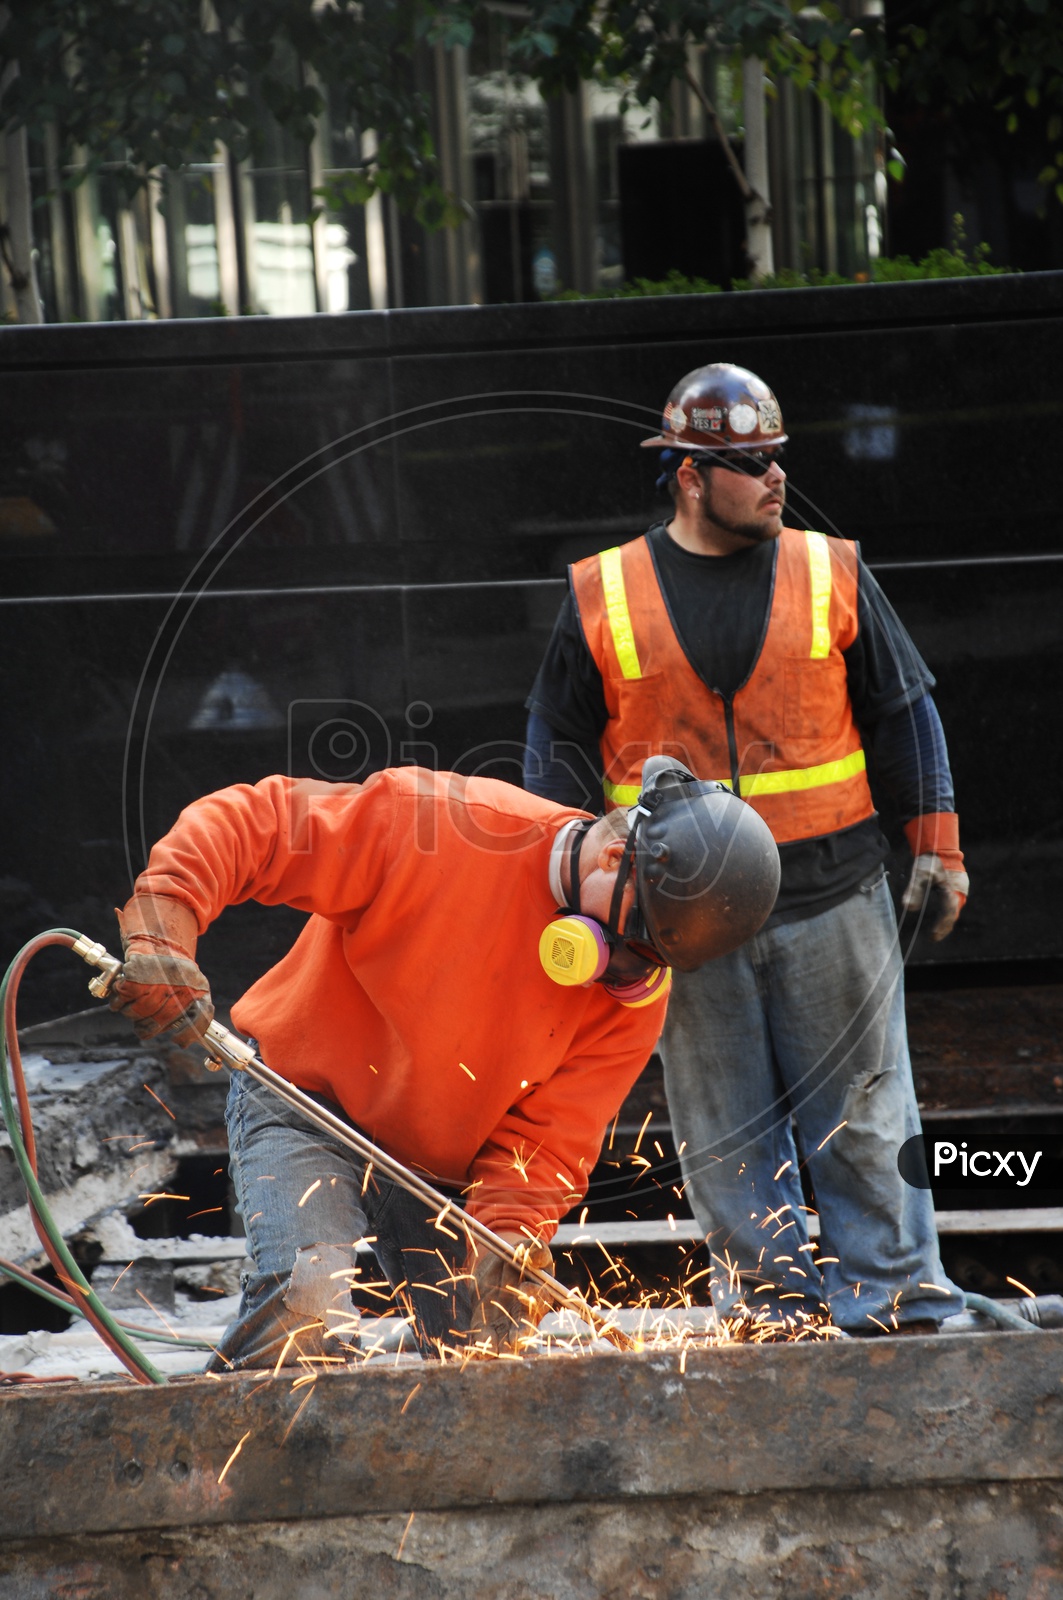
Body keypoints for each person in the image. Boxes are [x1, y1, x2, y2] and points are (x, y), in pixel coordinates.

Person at [524, 362, 970, 1337]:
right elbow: (552, 750)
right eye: (750, 463)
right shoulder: (606, 593)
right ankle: (771, 1318)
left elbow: (906, 713)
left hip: (833, 894)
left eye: (775, 457)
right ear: (689, 476)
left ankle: (893, 1299)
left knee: (866, 1119)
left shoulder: (828, 569)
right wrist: (558, 885)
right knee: (726, 1139)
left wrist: (935, 843)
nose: (774, 477)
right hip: (681, 925)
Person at [108, 759, 778, 1367]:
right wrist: (165, 921)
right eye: (633, 940)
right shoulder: (441, 827)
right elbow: (259, 824)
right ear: (611, 853)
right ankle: (246, 1473)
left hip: (441, 1171)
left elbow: (544, 1145)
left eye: (654, 958)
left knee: (488, 1352)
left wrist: (508, 1241)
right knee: (305, 1306)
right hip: (306, 1103)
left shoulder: (631, 996)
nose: (624, 970)